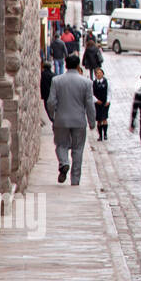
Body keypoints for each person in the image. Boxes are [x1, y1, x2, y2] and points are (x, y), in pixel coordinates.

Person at [46, 53, 96, 185]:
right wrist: (92, 121)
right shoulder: (86, 82)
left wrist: (52, 116)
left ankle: (64, 163)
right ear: (78, 65)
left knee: (61, 145)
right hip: (79, 120)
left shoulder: (56, 80)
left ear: (66, 65)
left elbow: (51, 102)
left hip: (61, 120)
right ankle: (75, 180)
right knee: (78, 149)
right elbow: (89, 104)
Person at [92, 67, 110, 141]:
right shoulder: (93, 83)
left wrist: (108, 101)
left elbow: (109, 92)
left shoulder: (107, 82)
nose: (99, 75)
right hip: (97, 103)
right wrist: (96, 100)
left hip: (105, 102)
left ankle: (105, 133)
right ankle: (100, 135)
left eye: (100, 73)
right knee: (99, 119)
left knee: (104, 118)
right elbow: (91, 93)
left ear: (103, 74)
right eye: (97, 73)